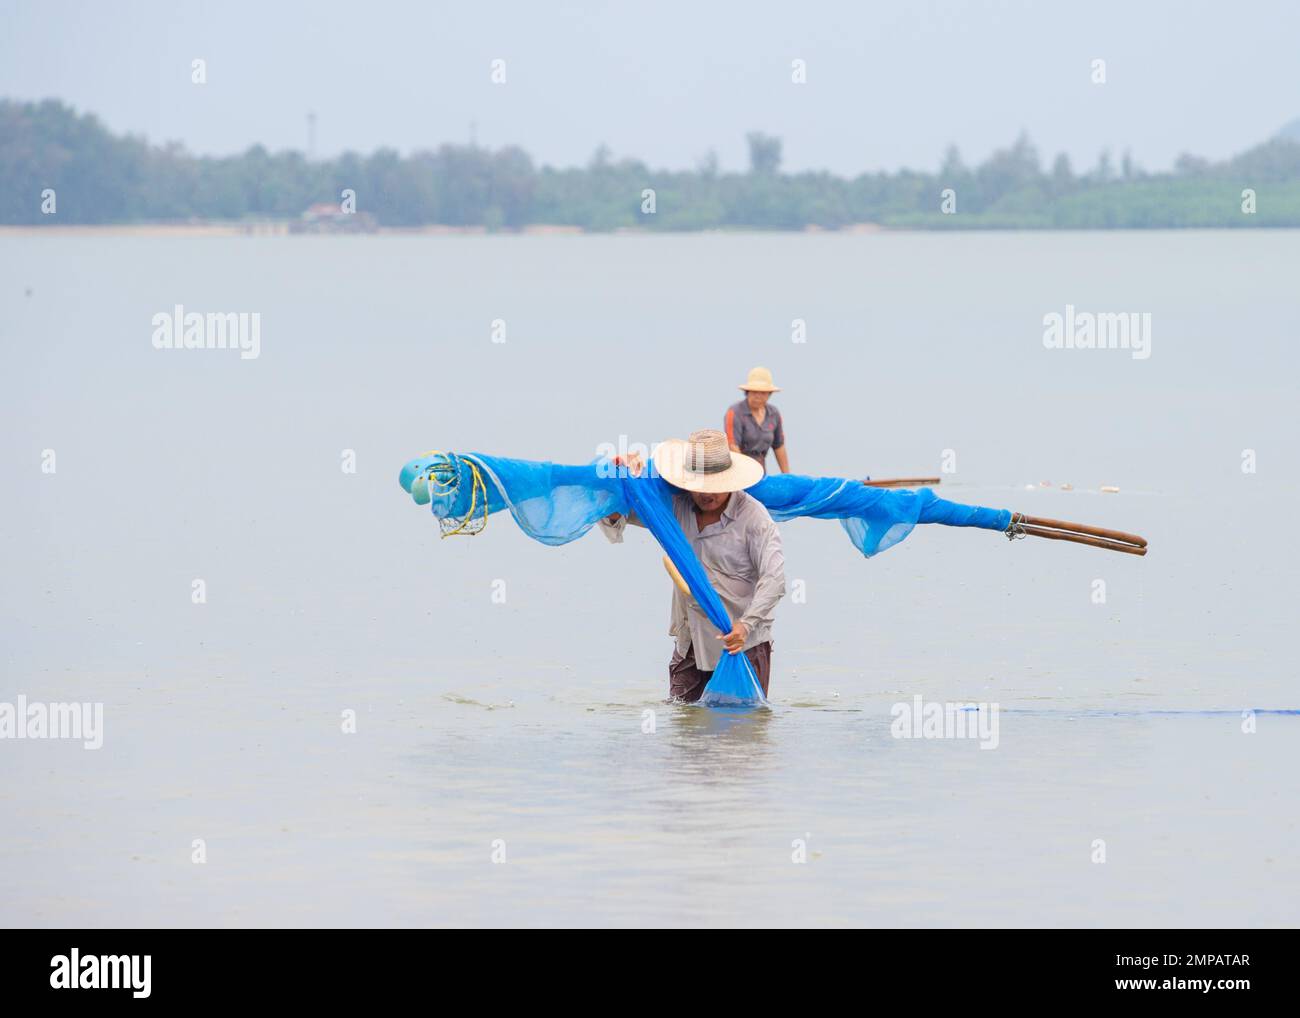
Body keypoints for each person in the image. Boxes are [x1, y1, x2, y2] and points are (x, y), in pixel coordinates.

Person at [599, 429, 786, 702]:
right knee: (685, 730)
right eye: (698, 485)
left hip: (740, 644)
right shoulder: (677, 506)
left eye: (714, 486)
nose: (705, 493)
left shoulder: (754, 518)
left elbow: (774, 580)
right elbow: (620, 514)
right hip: (690, 643)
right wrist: (621, 478)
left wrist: (746, 625)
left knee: (741, 735)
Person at [725, 366, 789, 474]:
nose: (758, 396)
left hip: (760, 468)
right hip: (739, 469)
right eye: (754, 392)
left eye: (763, 393)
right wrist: (747, 471)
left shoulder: (774, 414)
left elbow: (779, 446)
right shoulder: (735, 412)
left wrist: (787, 475)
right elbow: (732, 446)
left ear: (769, 394)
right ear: (747, 392)